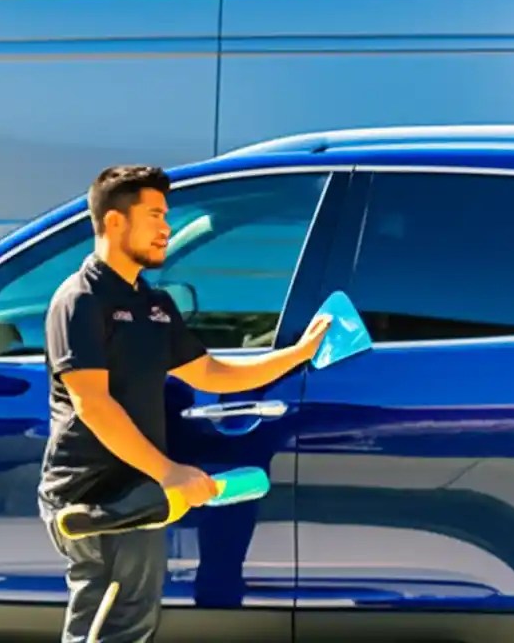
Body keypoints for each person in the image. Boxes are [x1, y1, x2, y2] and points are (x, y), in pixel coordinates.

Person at [39, 165, 331, 643]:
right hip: (92, 498)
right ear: (114, 222)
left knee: (132, 623)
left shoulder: (154, 305)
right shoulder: (79, 301)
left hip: (139, 491)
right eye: (154, 215)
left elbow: (210, 372)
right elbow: (93, 404)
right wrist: (168, 471)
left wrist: (295, 356)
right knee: (109, 627)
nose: (166, 229)